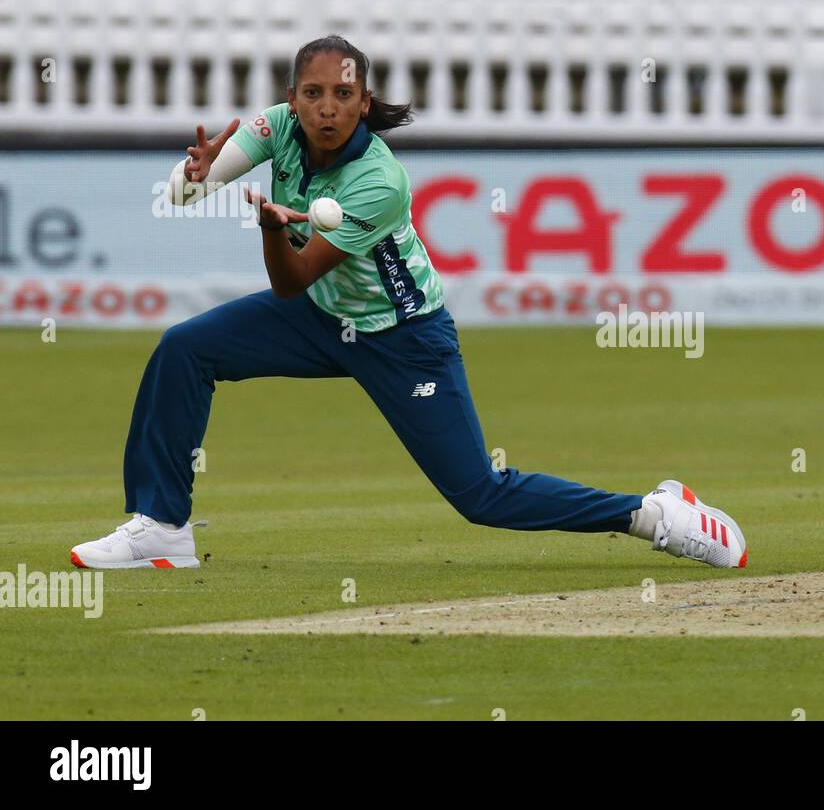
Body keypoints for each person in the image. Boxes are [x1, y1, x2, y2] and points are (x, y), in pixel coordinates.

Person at [68, 36, 746, 572]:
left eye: (343, 93)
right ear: (291, 100)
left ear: (364, 103)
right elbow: (189, 190)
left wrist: (274, 227)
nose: (327, 106)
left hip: (402, 337)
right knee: (186, 348)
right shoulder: (274, 128)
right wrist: (191, 176)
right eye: (313, 93)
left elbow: (291, 278)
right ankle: (161, 528)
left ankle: (653, 516)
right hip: (322, 320)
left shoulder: (378, 180)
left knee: (479, 495)